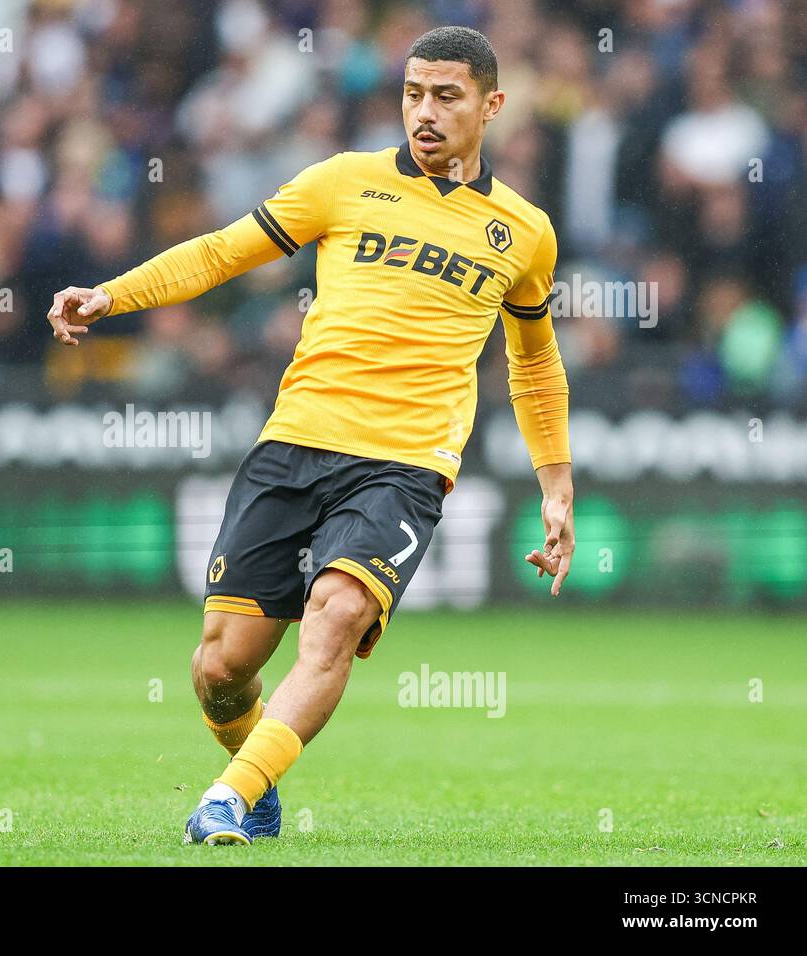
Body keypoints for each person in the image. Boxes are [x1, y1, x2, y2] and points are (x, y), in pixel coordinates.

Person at [45, 26, 575, 845]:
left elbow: (534, 362)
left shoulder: (524, 231)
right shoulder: (344, 181)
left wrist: (555, 480)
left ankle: (225, 796)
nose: (424, 112)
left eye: (446, 96)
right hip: (297, 440)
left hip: (404, 464)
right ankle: (255, 786)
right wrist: (110, 297)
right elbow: (223, 253)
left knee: (334, 612)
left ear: (492, 105)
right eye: (412, 93)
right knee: (221, 669)